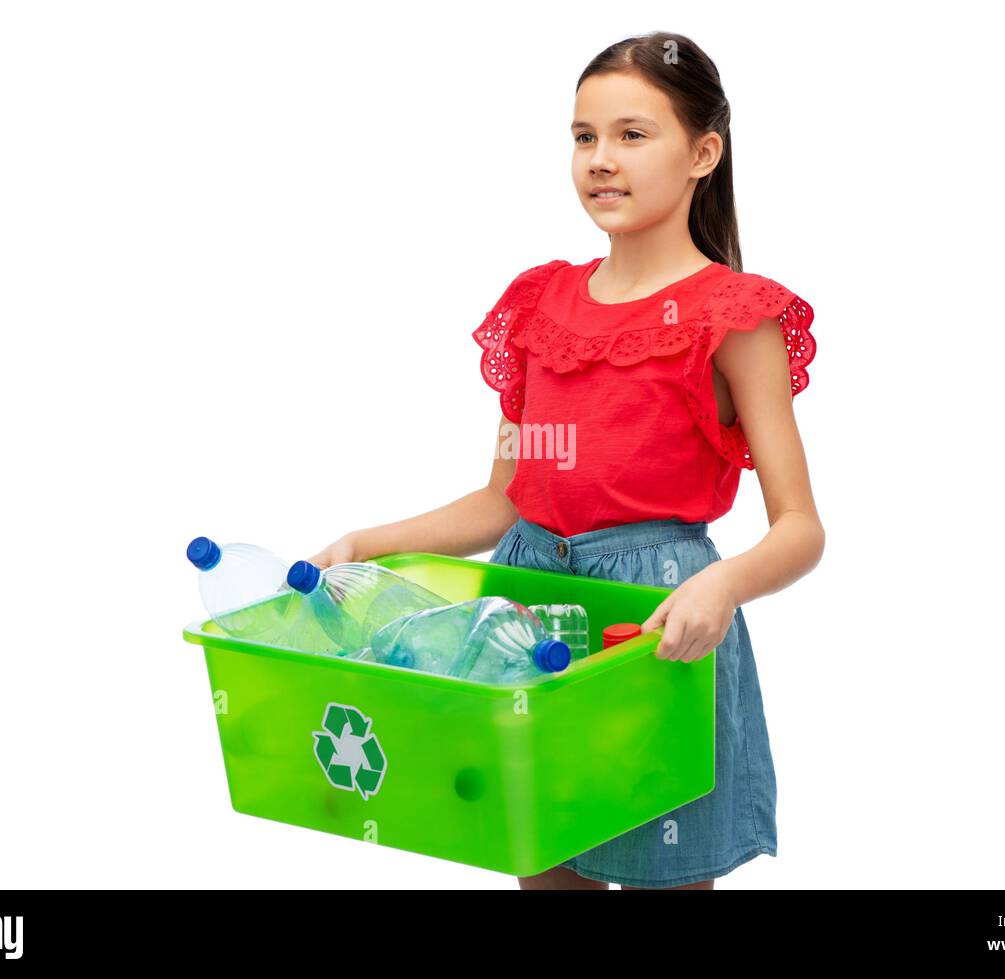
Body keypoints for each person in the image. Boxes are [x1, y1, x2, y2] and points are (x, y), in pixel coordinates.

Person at [306, 30, 824, 890]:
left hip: (657, 626)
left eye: (631, 135)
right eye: (584, 137)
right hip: (524, 611)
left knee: (667, 865)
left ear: (704, 152)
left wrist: (722, 586)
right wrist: (369, 541)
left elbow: (800, 526)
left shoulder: (733, 316)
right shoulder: (540, 304)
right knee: (539, 862)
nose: (600, 161)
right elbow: (504, 499)